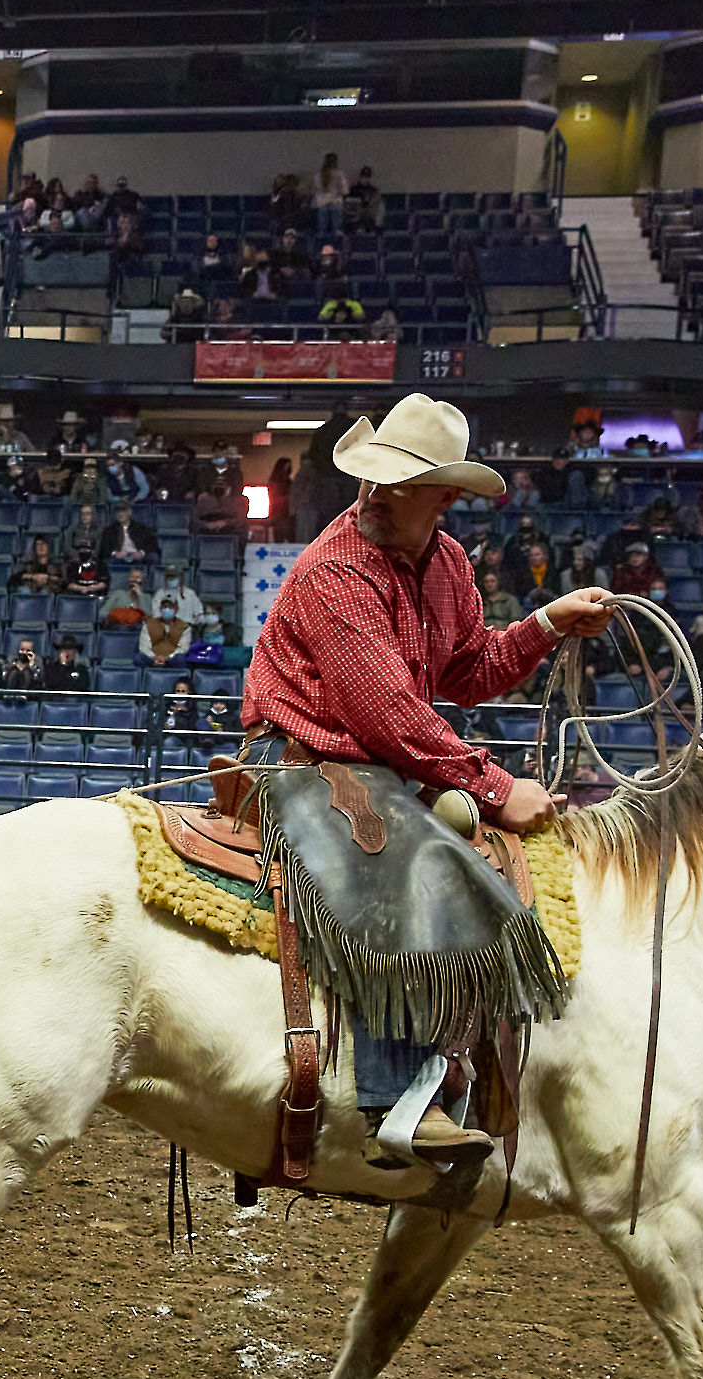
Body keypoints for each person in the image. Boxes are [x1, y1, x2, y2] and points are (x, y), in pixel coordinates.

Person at [239, 393, 616, 1170]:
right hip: (307, 756)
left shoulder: (445, 564)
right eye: (374, 478)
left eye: (397, 482)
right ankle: (398, 1095)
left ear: (441, 498)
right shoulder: (335, 573)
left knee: (444, 826)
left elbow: (468, 670)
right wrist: (495, 785)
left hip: (373, 756)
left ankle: (455, 1064)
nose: (373, 492)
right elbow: (386, 716)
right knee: (405, 853)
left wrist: (544, 624)